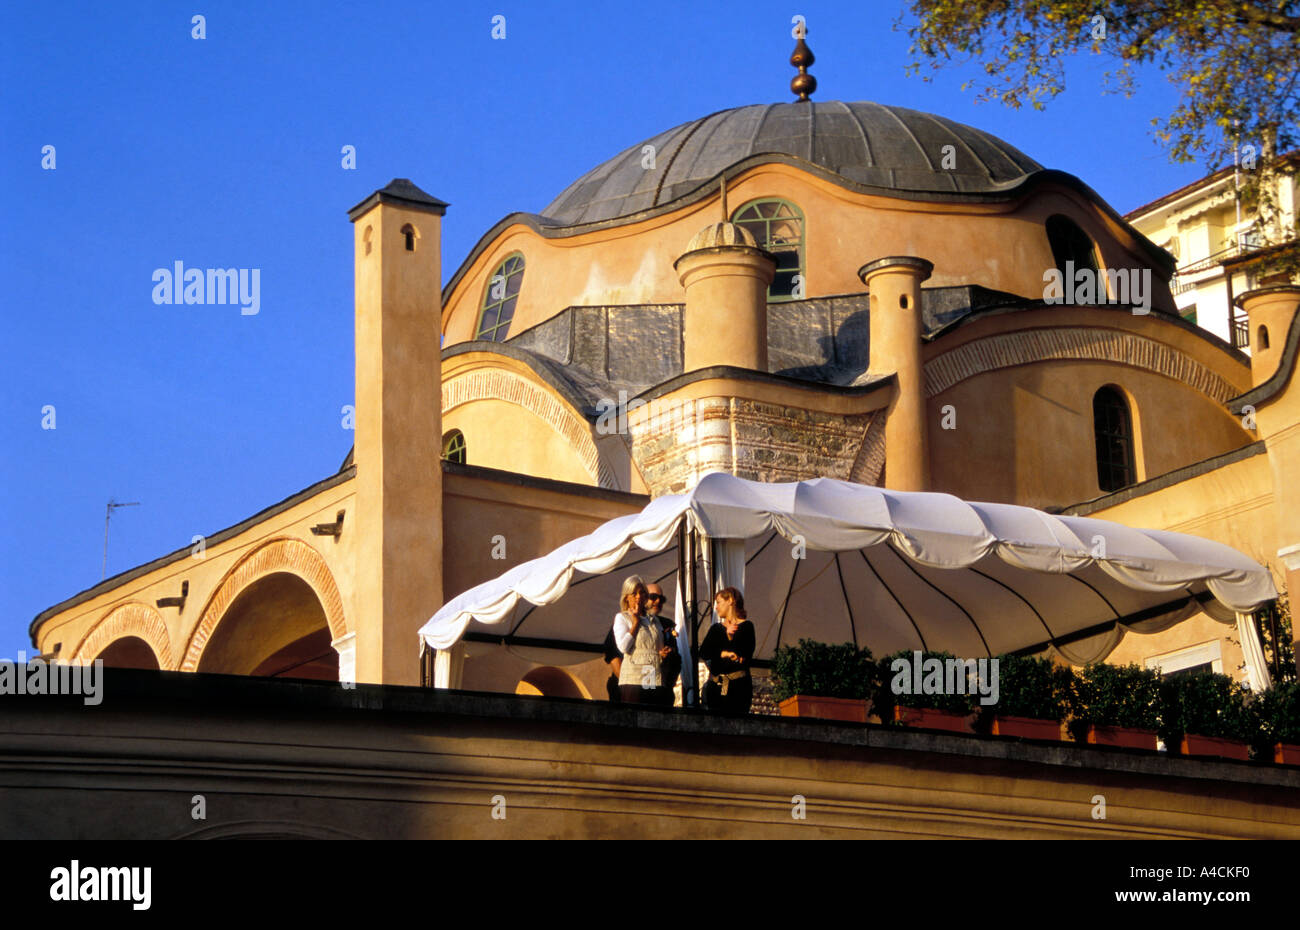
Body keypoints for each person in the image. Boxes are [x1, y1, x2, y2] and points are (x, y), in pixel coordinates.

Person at [612, 575, 674, 703]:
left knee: (650, 712)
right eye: (634, 594)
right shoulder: (622, 618)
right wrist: (635, 623)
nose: (638, 597)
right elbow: (623, 647)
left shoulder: (655, 620)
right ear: (627, 597)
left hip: (650, 673)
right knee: (634, 715)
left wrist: (662, 653)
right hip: (633, 677)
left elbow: (654, 647)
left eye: (642, 593)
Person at [699, 586, 754, 715]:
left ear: (730, 600)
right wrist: (722, 653)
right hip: (715, 687)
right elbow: (704, 652)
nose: (716, 607)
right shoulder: (716, 628)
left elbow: (745, 653)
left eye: (718, 602)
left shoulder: (747, 626)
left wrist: (729, 637)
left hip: (738, 688)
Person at [644, 582, 680, 707]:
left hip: (663, 688)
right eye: (653, 597)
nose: (658, 601)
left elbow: (676, 657)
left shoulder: (667, 624)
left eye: (662, 599)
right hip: (643, 684)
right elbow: (615, 656)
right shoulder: (630, 622)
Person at [602, 627, 622, 702]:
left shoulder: (658, 623)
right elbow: (613, 655)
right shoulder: (620, 623)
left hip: (650, 680)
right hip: (622, 685)